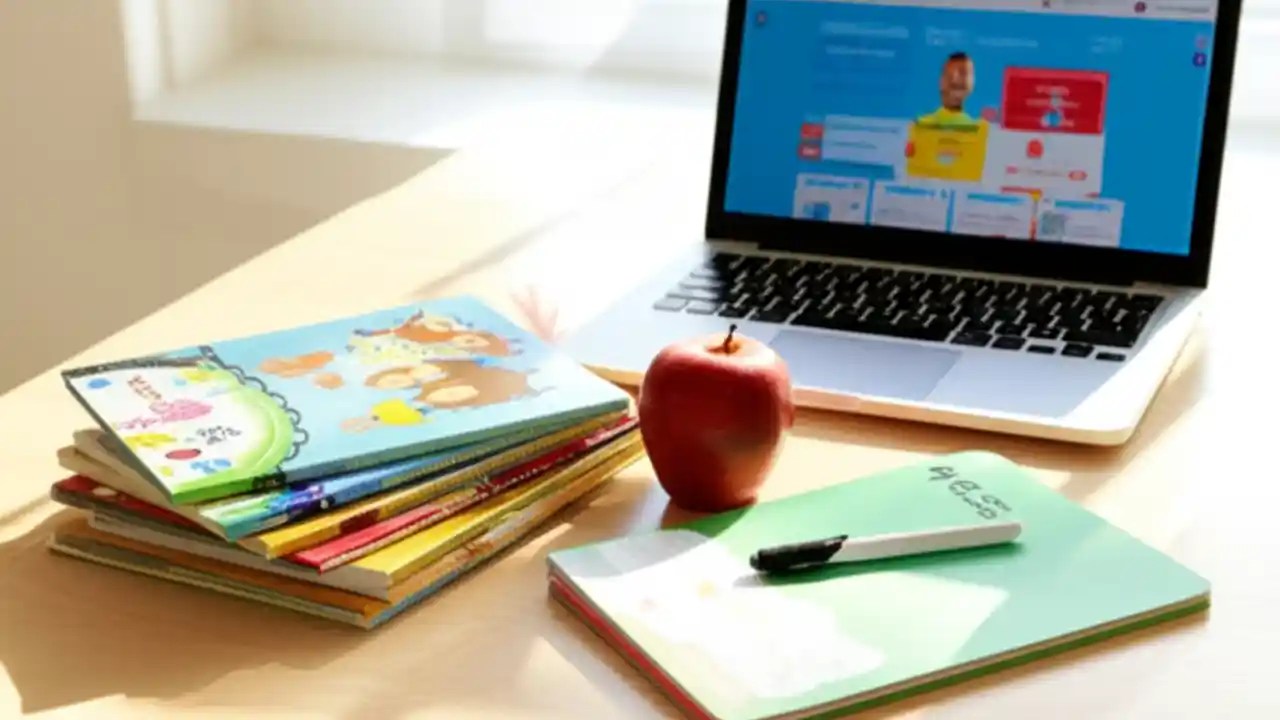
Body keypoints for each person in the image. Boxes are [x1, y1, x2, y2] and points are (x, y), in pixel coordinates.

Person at [918, 52, 979, 127]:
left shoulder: (982, 130)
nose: (955, 80)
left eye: (964, 73)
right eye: (949, 75)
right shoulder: (920, 126)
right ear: (940, 82)